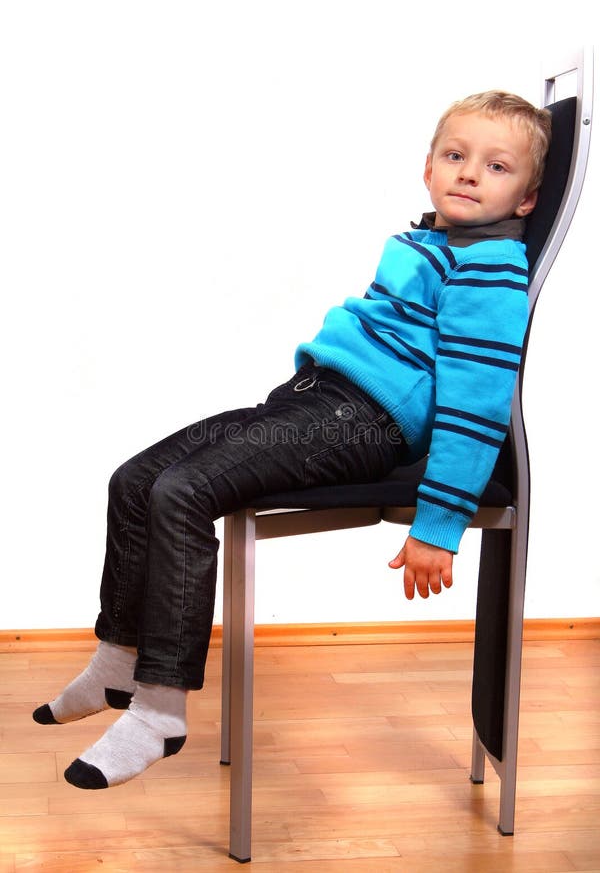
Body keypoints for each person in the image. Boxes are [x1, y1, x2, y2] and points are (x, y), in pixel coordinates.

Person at [33, 90, 552, 790]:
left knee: (183, 492)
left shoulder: (490, 270)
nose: (468, 174)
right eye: (456, 157)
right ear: (427, 168)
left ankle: (159, 710)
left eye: (496, 167)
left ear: (526, 200)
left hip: (361, 423)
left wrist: (440, 521)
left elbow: (476, 404)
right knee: (134, 478)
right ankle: (116, 662)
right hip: (314, 402)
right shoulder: (429, 242)